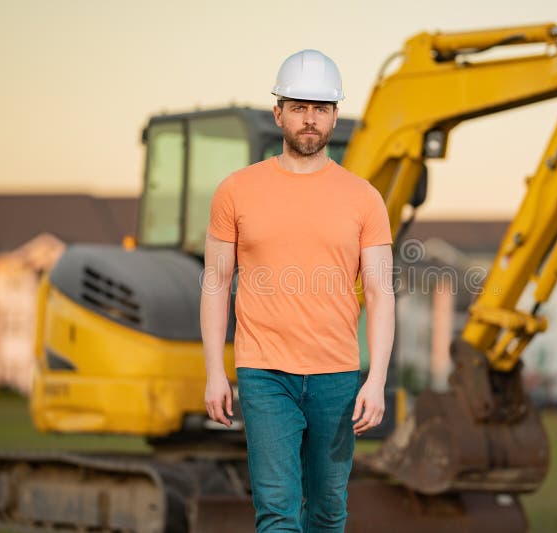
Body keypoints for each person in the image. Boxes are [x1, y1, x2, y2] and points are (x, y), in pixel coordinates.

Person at [200, 49, 395, 532]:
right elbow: (216, 283)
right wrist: (214, 372)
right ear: (278, 113)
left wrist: (377, 379)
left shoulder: (364, 198)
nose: (310, 120)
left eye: (321, 109)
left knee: (329, 511)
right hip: (264, 375)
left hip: (337, 376)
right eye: (299, 107)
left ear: (335, 116)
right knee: (277, 511)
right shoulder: (236, 191)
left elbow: (381, 293)